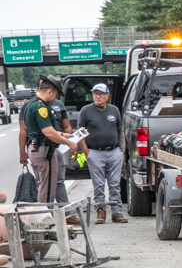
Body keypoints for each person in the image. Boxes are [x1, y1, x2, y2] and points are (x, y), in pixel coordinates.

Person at [18, 82, 80, 223]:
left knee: (44, 186)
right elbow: (48, 132)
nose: (56, 98)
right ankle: (43, 221)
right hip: (43, 151)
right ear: (50, 91)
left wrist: (62, 135)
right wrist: (70, 143)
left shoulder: (32, 104)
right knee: (47, 191)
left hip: (37, 148)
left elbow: (41, 130)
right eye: (57, 94)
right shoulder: (41, 107)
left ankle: (43, 219)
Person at [78, 83, 126, 224]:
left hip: (114, 151)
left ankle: (116, 212)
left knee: (115, 183)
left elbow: (120, 131)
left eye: (100, 94)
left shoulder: (114, 110)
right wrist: (86, 152)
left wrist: (121, 151)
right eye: (95, 94)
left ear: (107, 96)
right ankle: (100, 211)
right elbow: (80, 133)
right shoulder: (86, 111)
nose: (97, 97)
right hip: (95, 152)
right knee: (98, 184)